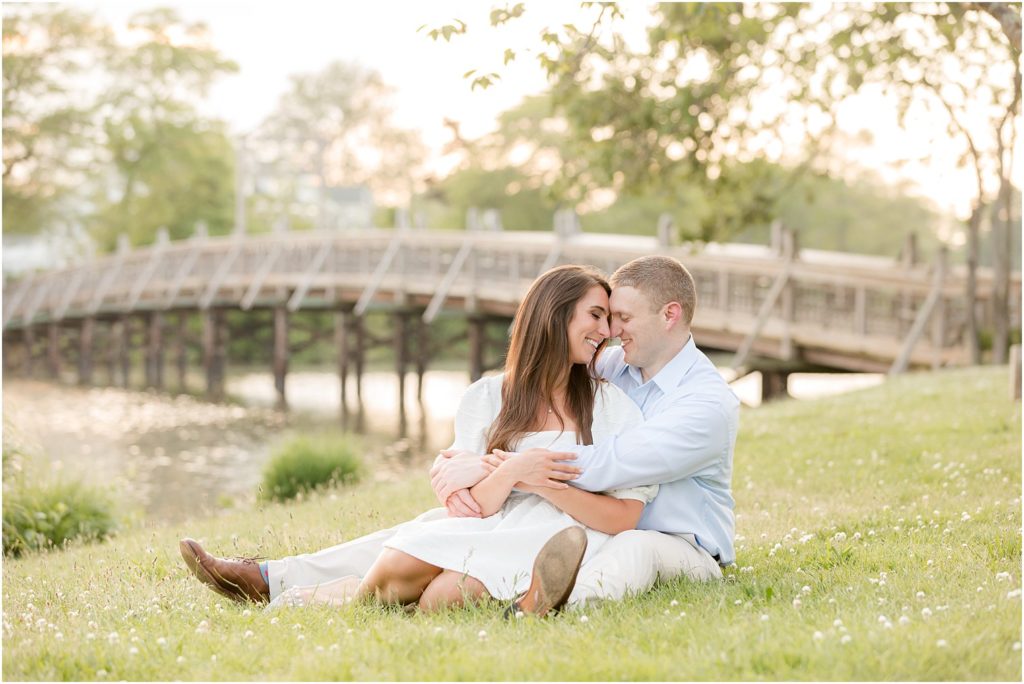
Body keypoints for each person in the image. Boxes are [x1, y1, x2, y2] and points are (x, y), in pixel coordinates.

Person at [180, 255, 738, 611]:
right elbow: (525, 414)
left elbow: (616, 463)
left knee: (628, 554)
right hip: (549, 516)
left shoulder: (704, 403)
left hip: (673, 541)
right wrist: (460, 466)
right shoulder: (613, 367)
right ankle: (273, 580)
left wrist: (511, 467)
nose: (611, 333)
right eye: (603, 319)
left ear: (669, 316)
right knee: (423, 529)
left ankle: (528, 609)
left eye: (621, 320)